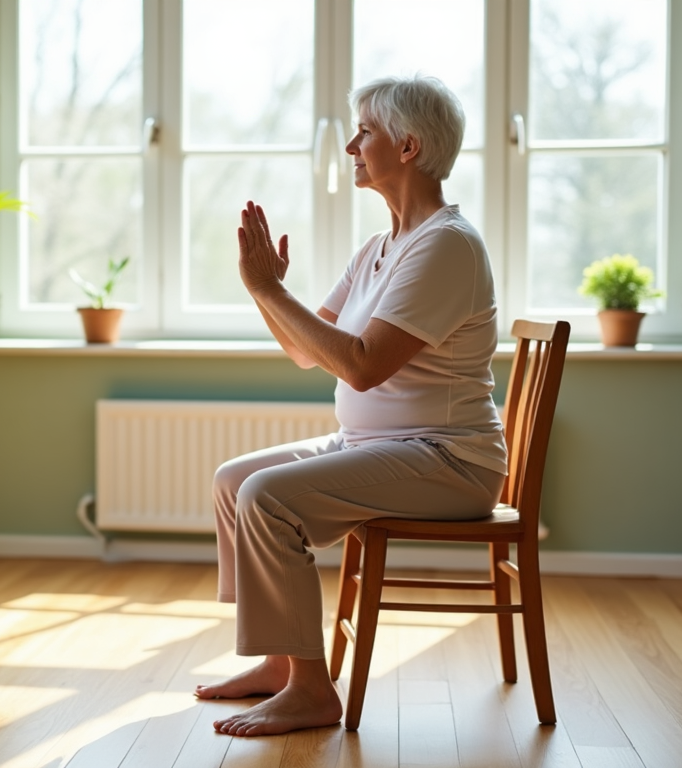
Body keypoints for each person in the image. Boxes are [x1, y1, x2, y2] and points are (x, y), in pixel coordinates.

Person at [194, 74, 507, 737]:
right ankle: (282, 663)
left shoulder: (446, 245)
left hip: (446, 459)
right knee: (234, 482)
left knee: (267, 497)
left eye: (364, 132)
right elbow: (310, 351)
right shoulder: (378, 248)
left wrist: (270, 292)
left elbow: (361, 367)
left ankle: (312, 692)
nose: (352, 147)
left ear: (409, 146)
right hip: (379, 449)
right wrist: (265, 291)